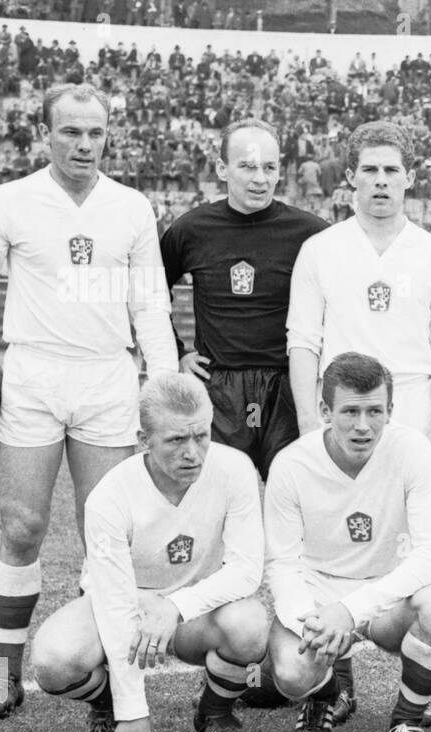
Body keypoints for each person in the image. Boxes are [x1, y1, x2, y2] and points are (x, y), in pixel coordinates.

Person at [0, 84, 178, 721]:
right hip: (31, 375)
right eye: (71, 132)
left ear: (108, 136)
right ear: (46, 135)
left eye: (96, 133)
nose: (84, 145)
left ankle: (104, 675)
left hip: (108, 380)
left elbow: (151, 307)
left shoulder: (132, 208)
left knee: (103, 538)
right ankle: (5, 676)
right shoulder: (12, 201)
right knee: (21, 529)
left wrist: (162, 386)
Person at [31, 374, 267, 732]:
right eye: (176, 440)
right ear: (143, 439)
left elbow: (247, 570)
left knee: (251, 625)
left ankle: (215, 713)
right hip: (125, 606)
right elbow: (115, 604)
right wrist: (132, 712)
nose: (193, 452)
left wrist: (174, 606)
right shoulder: (109, 496)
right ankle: (105, 706)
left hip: (193, 612)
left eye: (201, 436)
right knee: (54, 660)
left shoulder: (235, 469)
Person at [262, 353, 431, 732]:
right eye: (350, 411)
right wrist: (313, 623)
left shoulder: (412, 449)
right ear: (324, 411)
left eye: (375, 411)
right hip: (319, 592)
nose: (363, 425)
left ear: (391, 410)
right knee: (292, 673)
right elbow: (282, 564)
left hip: (388, 593)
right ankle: (326, 693)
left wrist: (349, 612)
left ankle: (406, 722)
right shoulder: (291, 464)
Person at [288, 120, 431, 479]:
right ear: (352, 176)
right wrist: (308, 425)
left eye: (391, 170)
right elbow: (303, 343)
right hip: (341, 410)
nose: (381, 179)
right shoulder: (319, 250)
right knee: (338, 528)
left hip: (413, 409)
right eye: (370, 169)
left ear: (409, 178)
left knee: (412, 534)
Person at [160, 118, 329, 483]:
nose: (260, 178)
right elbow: (149, 290)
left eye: (269, 167)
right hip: (220, 385)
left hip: (286, 385)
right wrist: (177, 352)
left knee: (293, 499)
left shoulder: (312, 233)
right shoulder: (191, 229)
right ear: (222, 168)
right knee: (218, 498)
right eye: (248, 166)